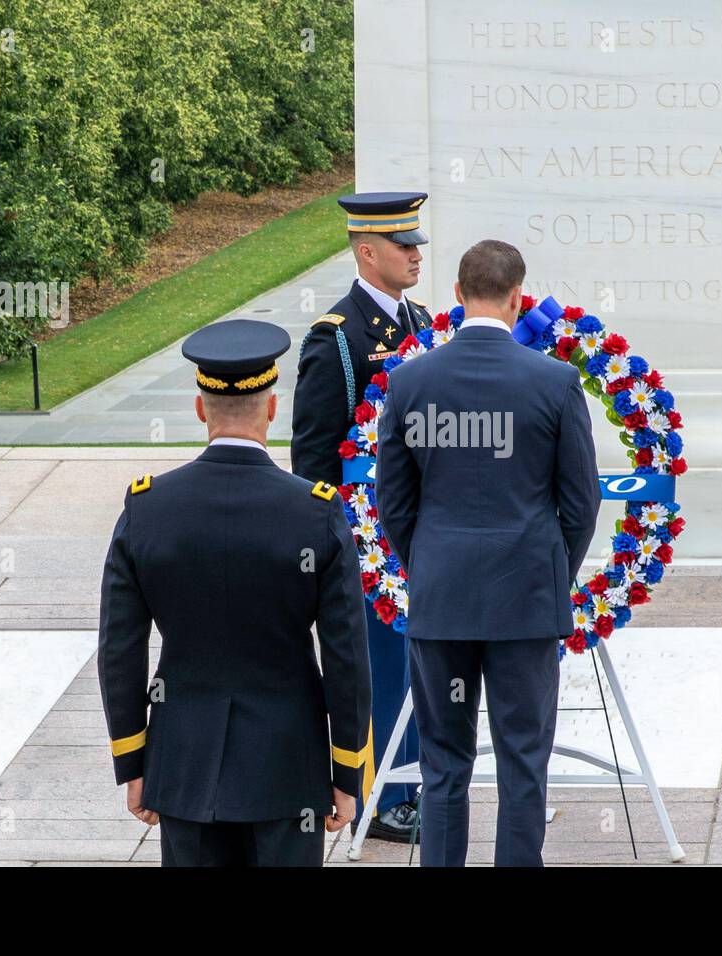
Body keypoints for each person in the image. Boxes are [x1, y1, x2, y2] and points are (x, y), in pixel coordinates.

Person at [97, 318, 372, 867]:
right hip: (288, 768)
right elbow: (345, 655)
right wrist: (346, 771)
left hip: (184, 767)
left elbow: (119, 650)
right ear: (272, 408)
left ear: (200, 409)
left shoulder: (148, 509)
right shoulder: (315, 512)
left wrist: (134, 761)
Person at [375, 239, 602, 866]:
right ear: (517, 299)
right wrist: (550, 570)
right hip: (525, 601)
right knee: (523, 761)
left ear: (456, 295)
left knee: (442, 764)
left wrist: (424, 563)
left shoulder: (410, 381)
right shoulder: (555, 382)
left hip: (443, 598)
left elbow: (394, 502)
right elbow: (580, 505)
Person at [290, 191, 432, 842]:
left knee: (423, 658)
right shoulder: (338, 338)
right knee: (383, 662)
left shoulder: (423, 322)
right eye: (404, 246)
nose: (415, 254)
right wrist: (334, 544)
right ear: (367, 251)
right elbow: (314, 458)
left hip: (423, 529)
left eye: (417, 243)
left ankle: (416, 778)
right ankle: (383, 793)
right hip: (367, 539)